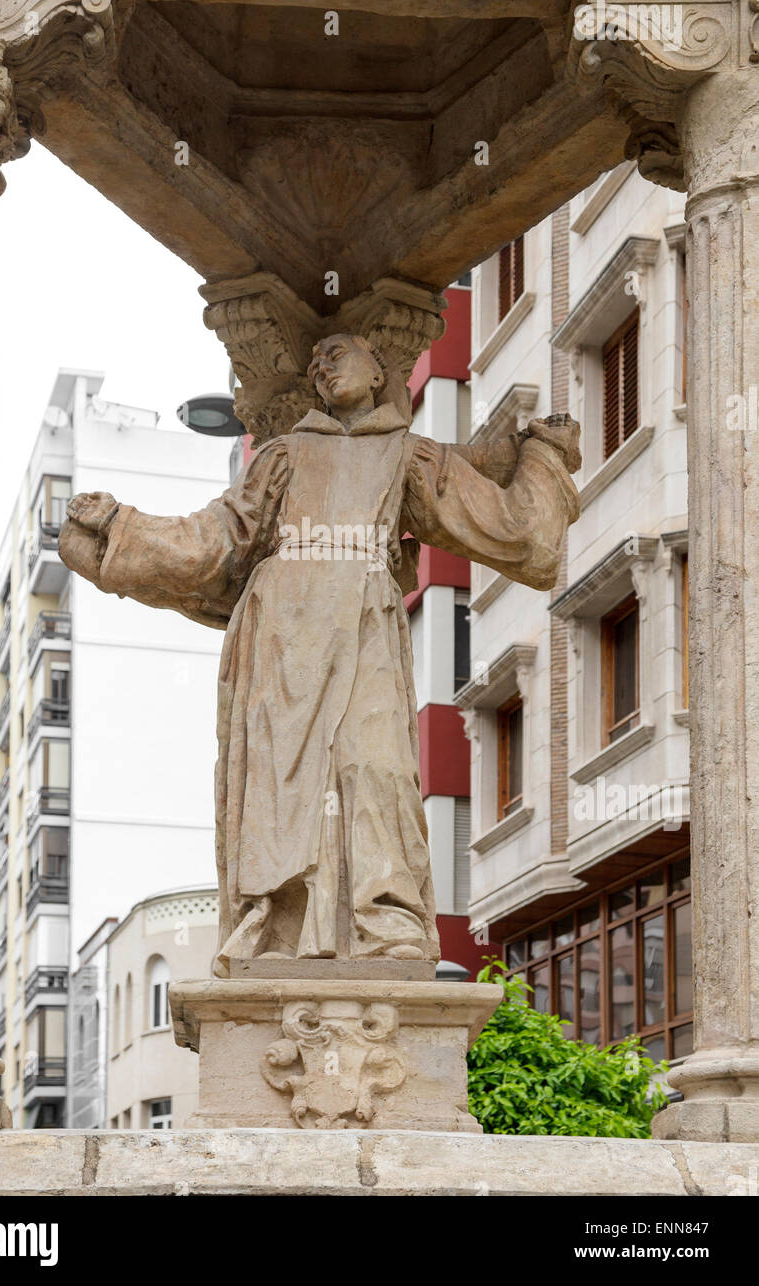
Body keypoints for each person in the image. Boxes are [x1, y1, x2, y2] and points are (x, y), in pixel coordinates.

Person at [60, 332, 580, 975]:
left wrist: (541, 457)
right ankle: (276, 923)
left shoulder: (404, 455)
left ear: (380, 368)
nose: (322, 364)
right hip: (284, 632)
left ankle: (385, 919)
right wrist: (120, 526)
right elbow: (213, 538)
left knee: (378, 766)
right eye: (315, 360)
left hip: (364, 628)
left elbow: (505, 527)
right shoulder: (285, 454)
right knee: (283, 782)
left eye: (338, 351)